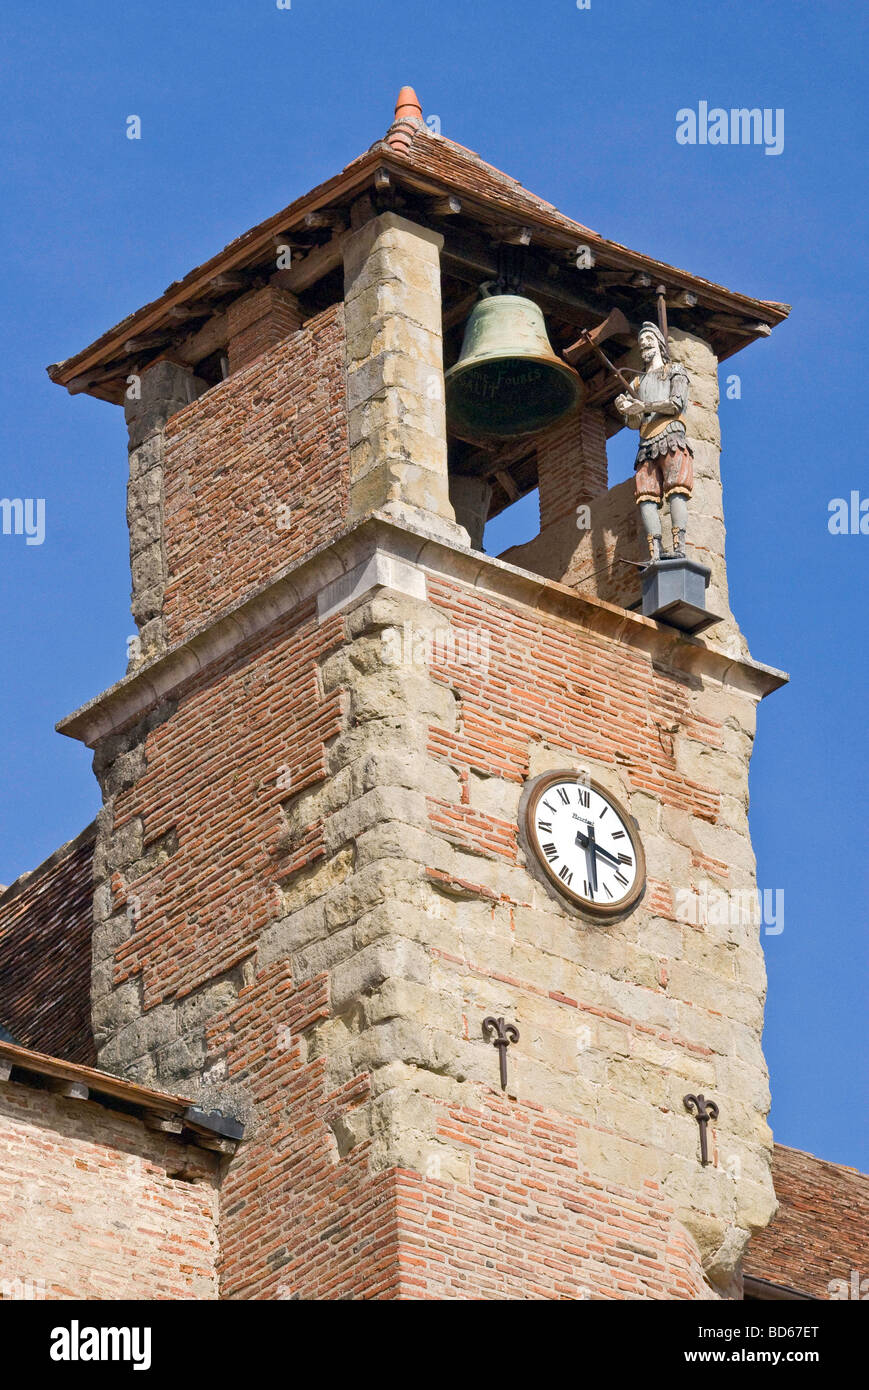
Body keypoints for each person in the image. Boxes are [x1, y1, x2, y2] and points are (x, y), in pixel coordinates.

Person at [615, 322, 693, 561]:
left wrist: (644, 406)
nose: (644, 344)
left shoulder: (674, 371)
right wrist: (626, 410)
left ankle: (679, 547)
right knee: (646, 496)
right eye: (641, 343)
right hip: (646, 446)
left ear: (659, 343)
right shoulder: (637, 383)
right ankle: (655, 551)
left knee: (676, 490)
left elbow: (676, 403)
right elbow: (634, 423)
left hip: (671, 437)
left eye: (648, 339)